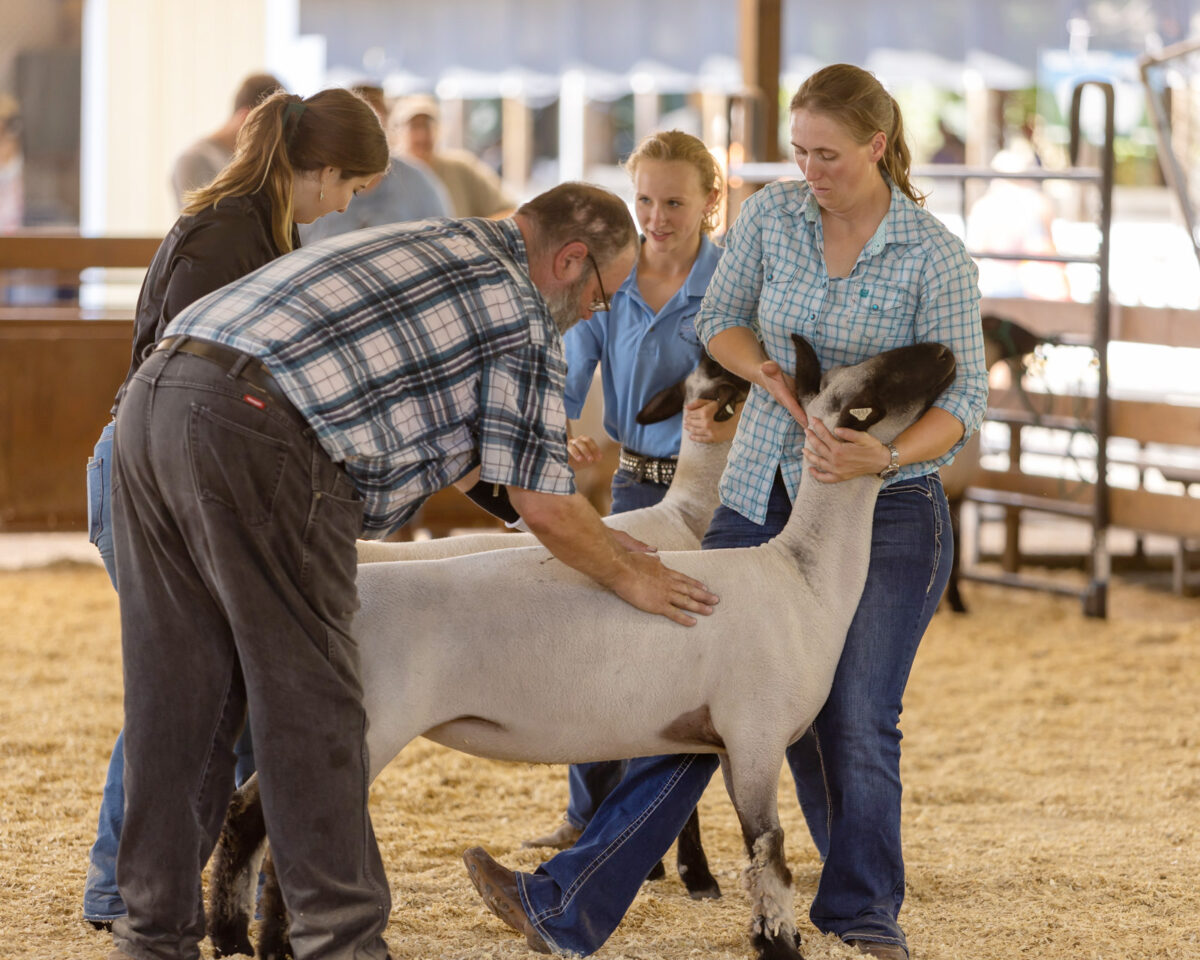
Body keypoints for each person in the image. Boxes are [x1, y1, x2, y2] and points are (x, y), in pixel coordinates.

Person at [104, 181, 719, 960]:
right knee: (317, 701)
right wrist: (633, 577)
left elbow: (460, 450)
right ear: (570, 260)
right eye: (602, 292)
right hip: (262, 431)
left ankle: (152, 936)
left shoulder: (437, 243)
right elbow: (547, 507)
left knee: (181, 693)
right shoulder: (521, 310)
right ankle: (341, 942)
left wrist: (581, 526)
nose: (599, 311)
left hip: (153, 406)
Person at [461, 63, 989, 960]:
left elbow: (965, 397)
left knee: (853, 712)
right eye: (798, 152)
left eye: (827, 153)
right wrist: (766, 374)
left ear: (877, 144)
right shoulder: (777, 219)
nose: (809, 170)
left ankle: (861, 916)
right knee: (690, 698)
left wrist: (888, 452)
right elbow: (723, 323)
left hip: (885, 508)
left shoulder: (933, 254)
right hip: (759, 491)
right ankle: (571, 902)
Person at [84, 86, 389, 934]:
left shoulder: (258, 227)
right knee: (186, 692)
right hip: (161, 473)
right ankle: (125, 890)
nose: (346, 206)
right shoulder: (227, 236)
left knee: (200, 690)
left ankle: (163, 894)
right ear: (322, 169)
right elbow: (190, 385)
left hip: (177, 469)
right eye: (351, 189)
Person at [523, 130, 735, 851]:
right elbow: (566, 371)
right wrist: (561, 436)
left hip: (719, 492)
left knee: (689, 654)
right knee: (605, 645)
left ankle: (657, 829)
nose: (657, 216)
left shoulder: (734, 279)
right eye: (645, 199)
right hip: (640, 486)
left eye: (675, 201)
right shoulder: (608, 278)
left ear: (713, 200)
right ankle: (591, 818)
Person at [301, 83, 451, 243]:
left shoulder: (418, 182)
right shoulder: (312, 189)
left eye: (376, 126)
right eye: (362, 132)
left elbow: (446, 239)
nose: (368, 141)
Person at [170, 72, 283, 207]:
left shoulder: (252, 158)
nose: (271, 138)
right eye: (269, 128)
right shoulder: (193, 159)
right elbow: (199, 221)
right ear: (247, 118)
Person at [393, 94, 516, 218]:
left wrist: (472, 234)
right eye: (414, 126)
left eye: (428, 125)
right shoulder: (390, 176)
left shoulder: (461, 167)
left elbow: (508, 211)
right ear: (397, 132)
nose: (422, 134)